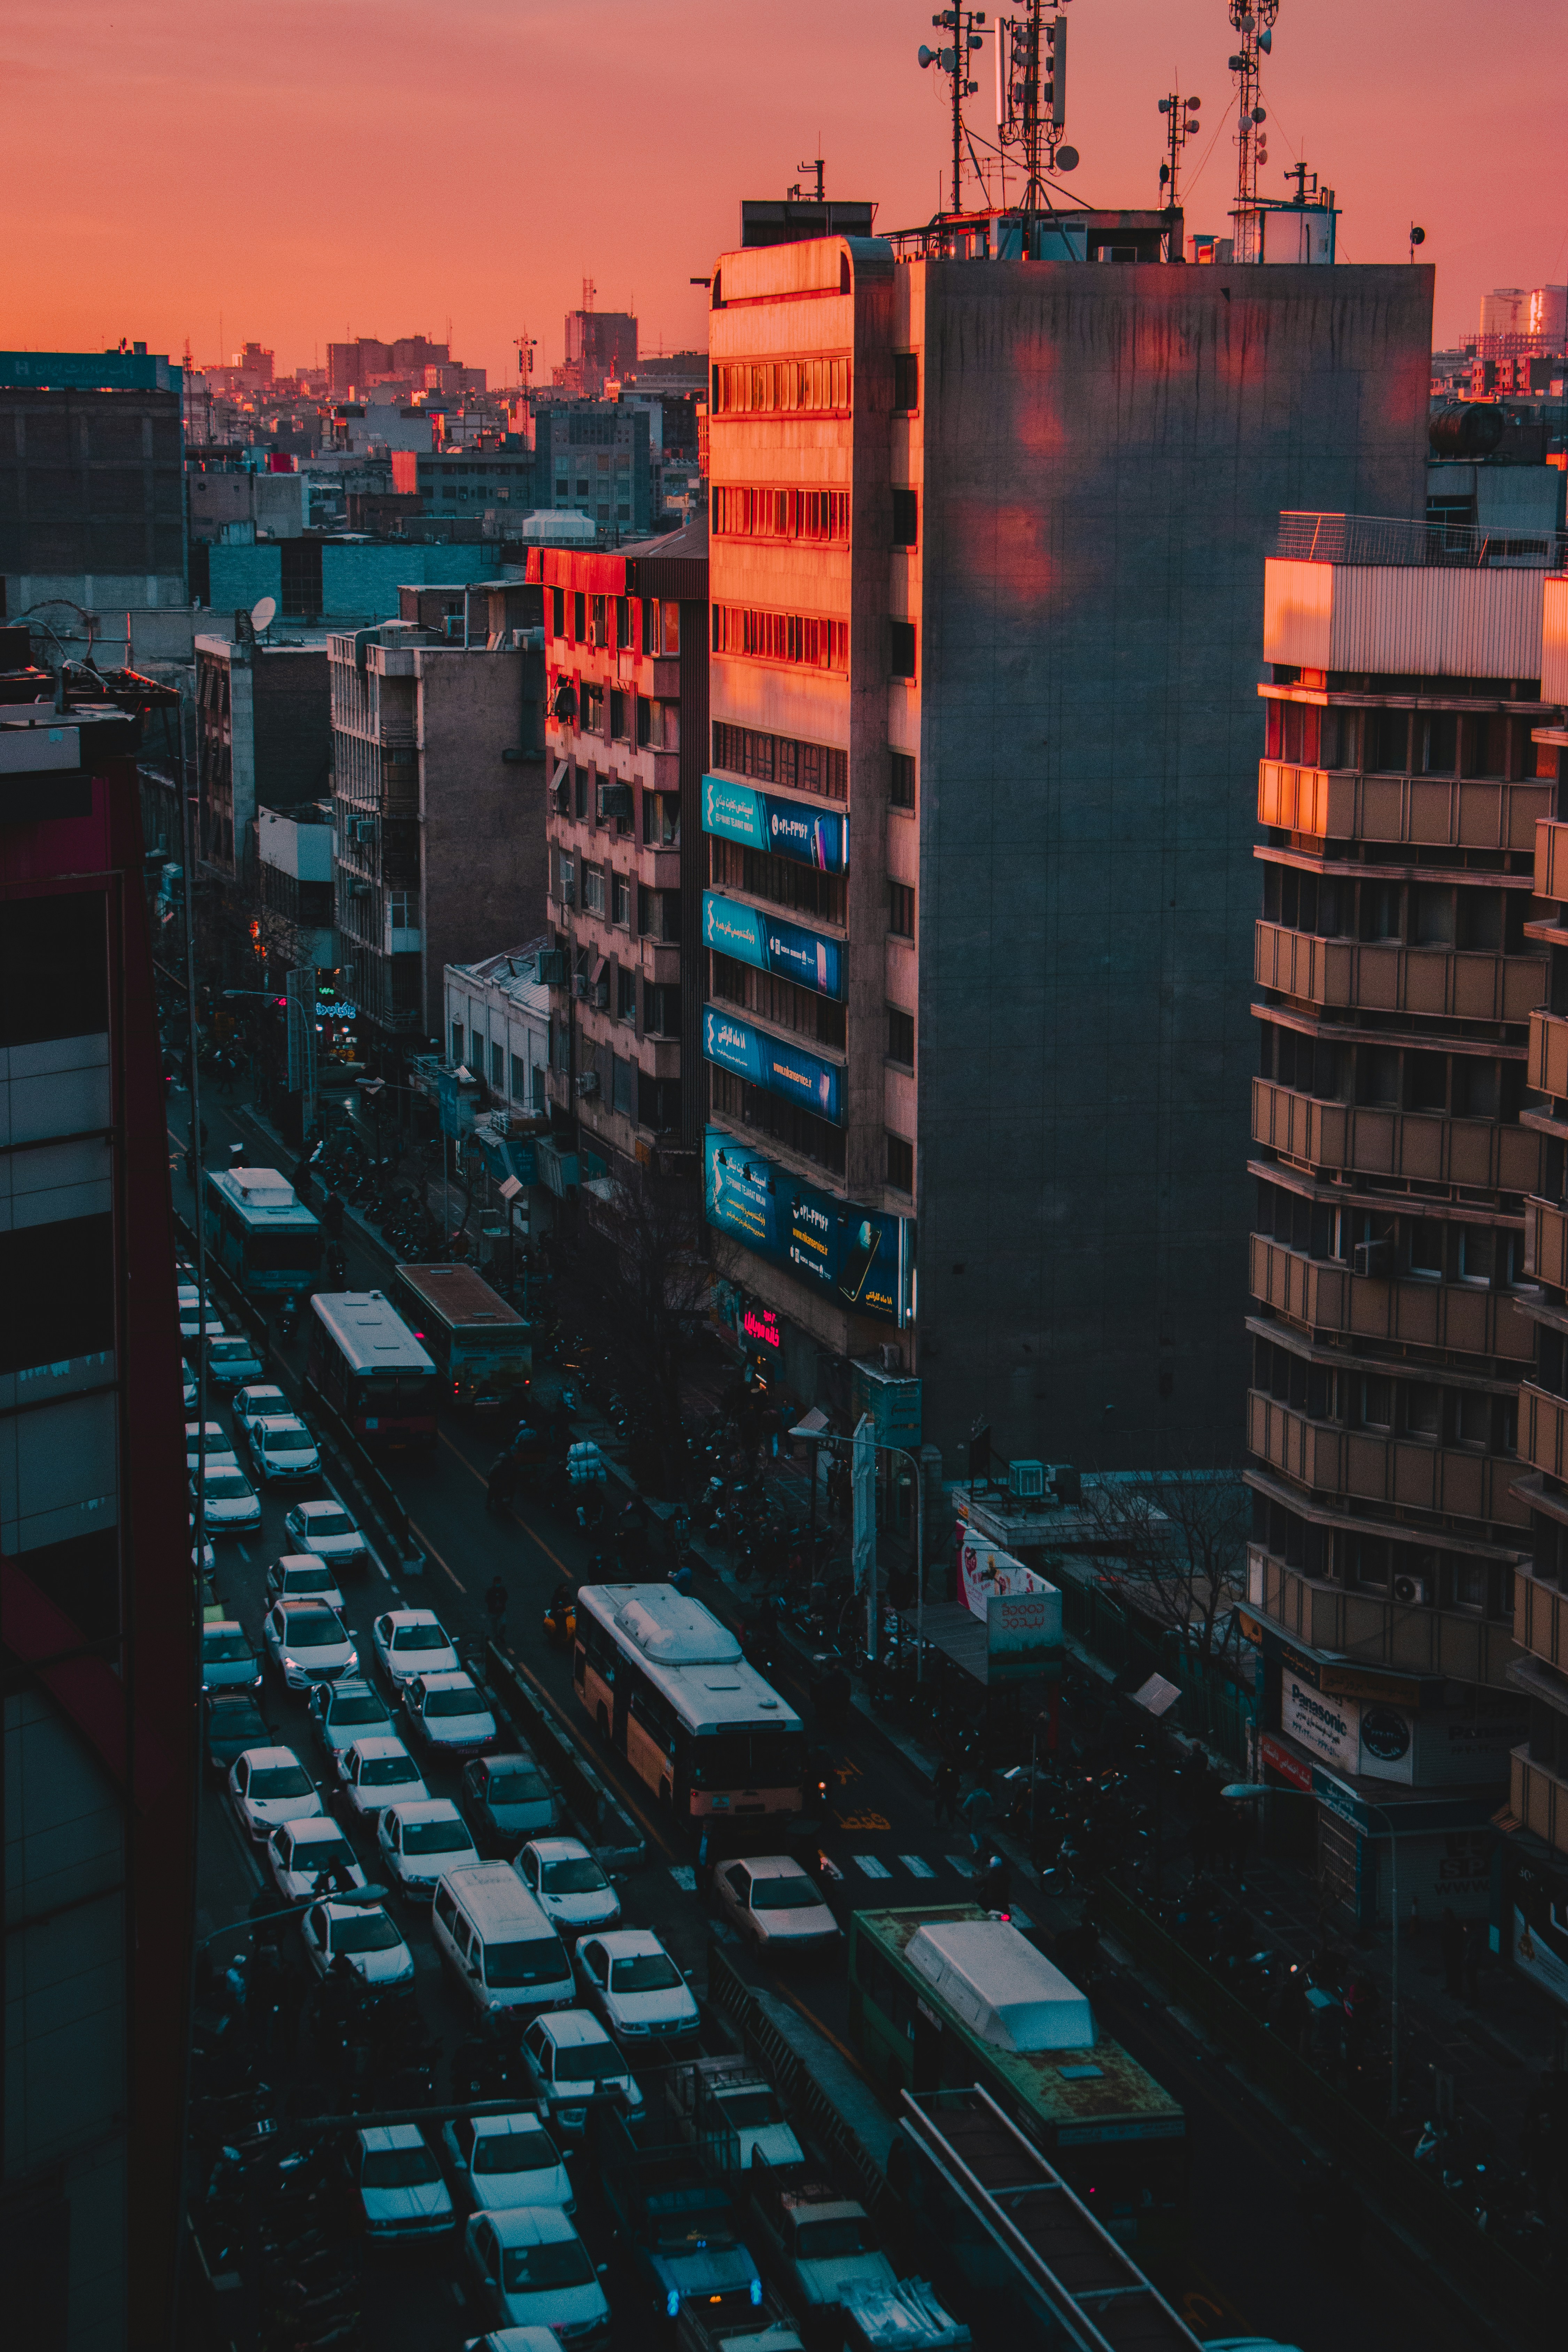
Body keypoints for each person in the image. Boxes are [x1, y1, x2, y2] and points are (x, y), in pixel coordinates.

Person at [960, 1779, 996, 1859]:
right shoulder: (987, 1795)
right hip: (983, 1817)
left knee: (972, 1832)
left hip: (973, 1817)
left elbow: (964, 1806)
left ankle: (977, 1847)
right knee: (979, 1832)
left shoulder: (973, 1796)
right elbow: (992, 1805)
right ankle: (981, 1847)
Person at [1439, 1905, 1465, 1998]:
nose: (1443, 1917)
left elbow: (1460, 1939)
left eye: (1444, 1915)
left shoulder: (1455, 1925)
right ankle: (1451, 1987)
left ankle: (1458, 1992)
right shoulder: (1447, 1924)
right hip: (1448, 1952)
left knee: (1456, 1972)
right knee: (1450, 1971)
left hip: (1455, 1953)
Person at [932, 1755, 961, 1829]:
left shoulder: (955, 1767)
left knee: (950, 1807)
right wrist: (934, 1785)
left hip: (950, 1790)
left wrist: (956, 1790)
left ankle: (951, 1823)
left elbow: (958, 1778)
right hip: (942, 1788)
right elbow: (938, 1774)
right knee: (939, 1806)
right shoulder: (943, 1765)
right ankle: (937, 1821)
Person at [484, 1575, 509, 1643]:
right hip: (493, 1612)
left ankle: (501, 1636)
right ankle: (495, 1640)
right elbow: (487, 1600)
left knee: (504, 1624)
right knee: (494, 1628)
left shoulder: (502, 1590)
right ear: (494, 1583)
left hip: (502, 1611)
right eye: (497, 1583)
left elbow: (506, 1597)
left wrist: (502, 1604)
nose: (498, 1584)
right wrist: (494, 1605)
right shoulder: (490, 1591)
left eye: (499, 1583)